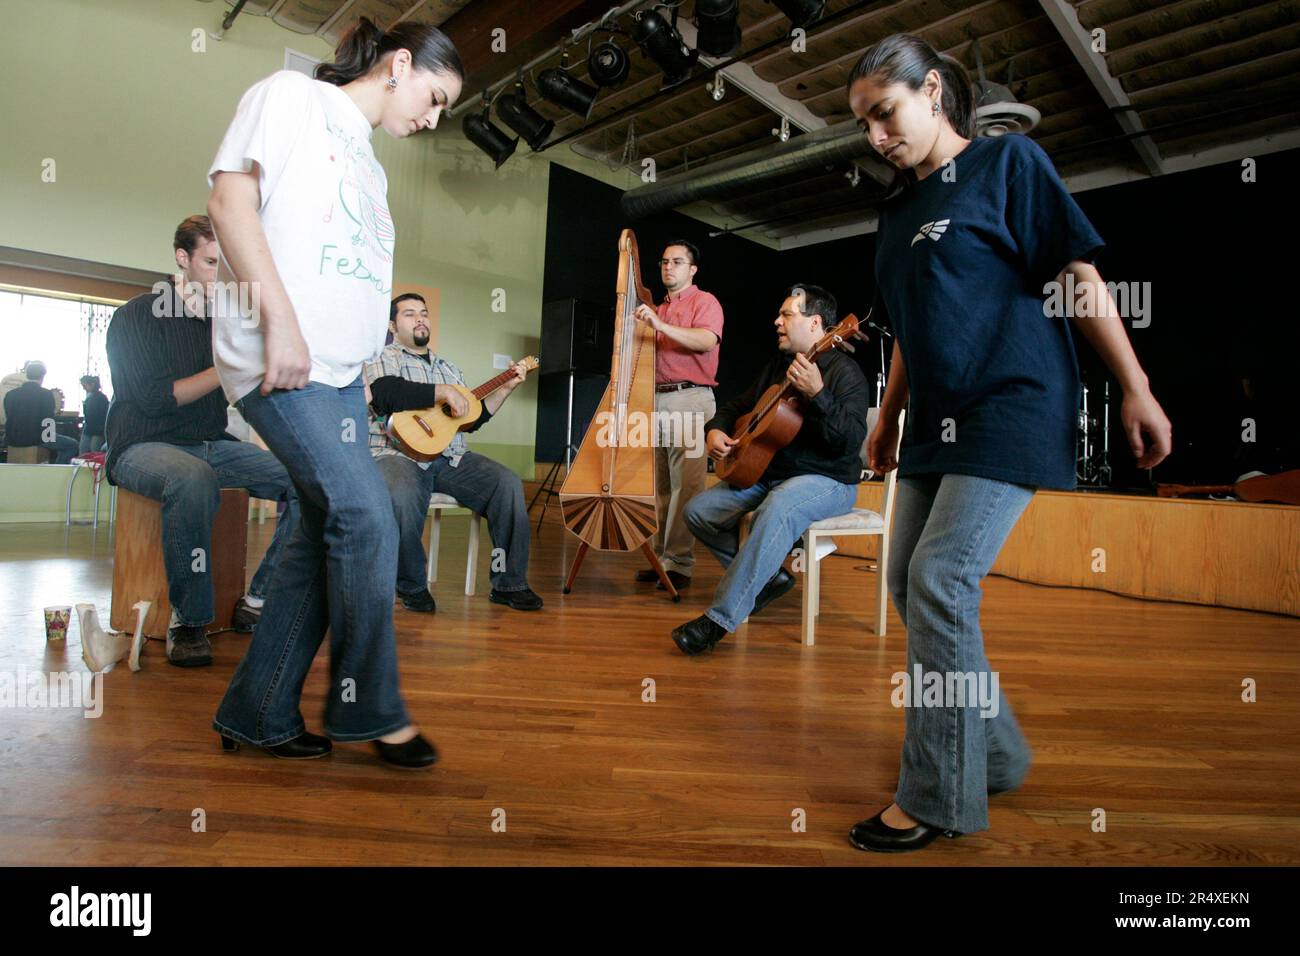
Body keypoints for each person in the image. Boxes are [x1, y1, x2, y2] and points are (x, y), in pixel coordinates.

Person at [843, 34, 1172, 853]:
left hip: (1013, 404)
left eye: (885, 114)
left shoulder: (1008, 164)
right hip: (934, 420)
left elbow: (1077, 276)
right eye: (864, 126)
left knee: (941, 578)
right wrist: (886, 419)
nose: (876, 137)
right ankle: (994, 751)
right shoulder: (896, 213)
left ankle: (936, 797)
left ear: (932, 94)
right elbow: (911, 335)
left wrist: (1134, 385)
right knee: (905, 583)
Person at [207, 17, 464, 767]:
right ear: (400, 63)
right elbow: (230, 204)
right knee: (369, 514)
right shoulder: (291, 97)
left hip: (340, 378)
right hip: (283, 362)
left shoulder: (373, 168)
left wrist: (356, 363)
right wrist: (282, 325)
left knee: (316, 542)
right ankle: (372, 709)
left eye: (445, 109)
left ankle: (260, 712)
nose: (433, 116)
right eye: (434, 96)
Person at [104, 215, 297, 667]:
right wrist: (229, 365)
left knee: (305, 478)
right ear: (182, 259)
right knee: (193, 479)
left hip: (210, 442)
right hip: (141, 445)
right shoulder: (135, 316)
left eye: (228, 265)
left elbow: (248, 396)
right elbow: (154, 400)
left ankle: (259, 601)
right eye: (212, 263)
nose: (222, 275)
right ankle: (188, 622)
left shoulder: (226, 323)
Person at [671, 284, 867, 655]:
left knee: (778, 506)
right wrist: (715, 428)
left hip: (828, 480)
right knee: (698, 512)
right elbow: (736, 406)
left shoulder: (846, 373)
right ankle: (770, 579)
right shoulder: (778, 366)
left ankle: (717, 621)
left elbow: (848, 442)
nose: (776, 321)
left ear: (815, 323)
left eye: (787, 315)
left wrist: (818, 394)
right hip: (770, 474)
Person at [365, 293, 542, 612]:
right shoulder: (383, 357)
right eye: (409, 314)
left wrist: (504, 389)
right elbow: (383, 394)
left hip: (449, 459)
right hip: (396, 456)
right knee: (402, 493)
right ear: (393, 325)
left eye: (423, 312)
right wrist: (440, 391)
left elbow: (469, 421)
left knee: (507, 484)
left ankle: (508, 583)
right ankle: (412, 585)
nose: (420, 318)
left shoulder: (449, 368)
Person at [632, 240, 724, 592]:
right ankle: (661, 561)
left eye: (678, 262)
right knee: (660, 489)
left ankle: (680, 565)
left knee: (687, 488)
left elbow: (705, 341)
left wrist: (658, 324)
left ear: (692, 269)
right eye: (664, 261)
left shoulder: (705, 302)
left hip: (689, 397)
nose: (668, 267)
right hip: (656, 400)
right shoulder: (657, 308)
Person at [2, 361, 78, 463]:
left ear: (27, 374)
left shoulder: (11, 394)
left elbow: (9, 416)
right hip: (37, 438)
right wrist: (50, 437)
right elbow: (48, 420)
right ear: (43, 376)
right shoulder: (46, 394)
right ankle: (57, 473)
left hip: (12, 438)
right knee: (72, 445)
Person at [78, 375, 109, 454]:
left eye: (85, 385)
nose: (84, 388)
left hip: (97, 429)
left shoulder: (101, 398)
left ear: (92, 384)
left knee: (94, 449)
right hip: (89, 428)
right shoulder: (90, 397)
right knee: (83, 449)